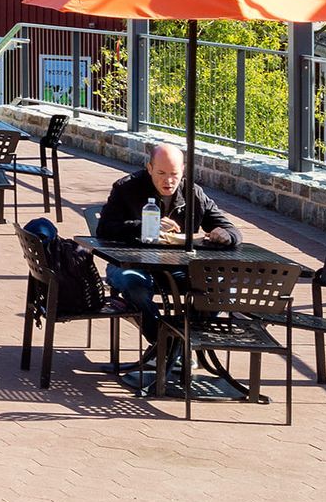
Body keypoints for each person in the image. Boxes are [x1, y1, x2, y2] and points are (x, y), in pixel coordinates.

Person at [94, 143, 240, 364]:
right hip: (131, 264)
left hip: (177, 267)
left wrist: (225, 235)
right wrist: (145, 225)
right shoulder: (126, 188)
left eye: (174, 174)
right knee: (135, 287)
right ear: (149, 167)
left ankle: (180, 343)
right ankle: (166, 344)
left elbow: (230, 229)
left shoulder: (193, 193)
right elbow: (104, 229)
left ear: (183, 171)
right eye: (161, 173)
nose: (168, 181)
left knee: (220, 286)